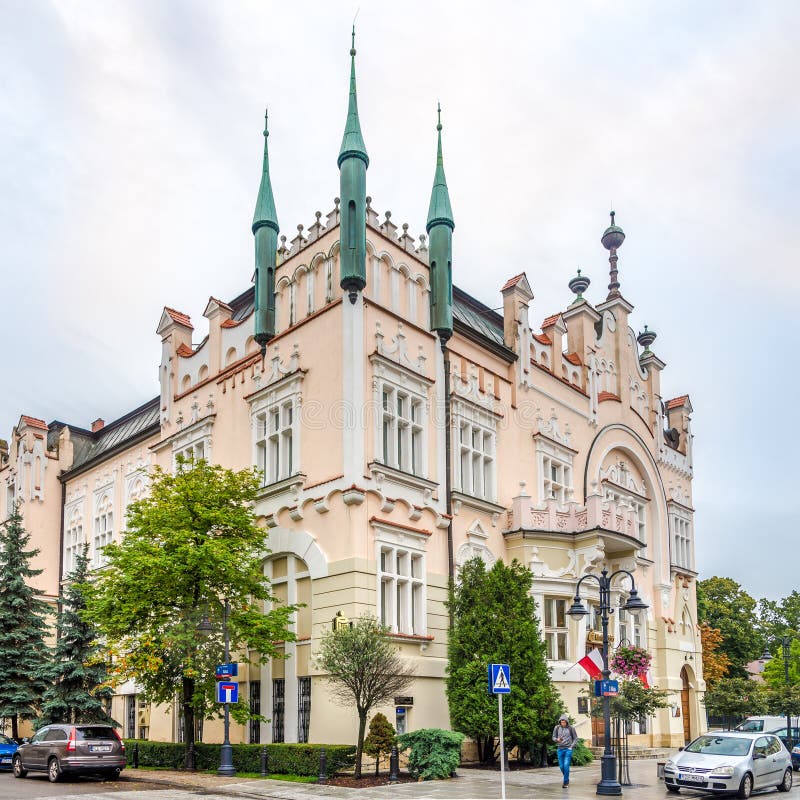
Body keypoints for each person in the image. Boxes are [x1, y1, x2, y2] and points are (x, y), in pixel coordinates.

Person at [552, 714, 579, 787]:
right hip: (560, 749)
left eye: (564, 722)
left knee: (566, 765)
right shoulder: (557, 728)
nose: (563, 723)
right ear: (560, 722)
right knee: (561, 766)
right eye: (561, 722)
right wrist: (557, 739)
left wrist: (571, 747)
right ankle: (566, 778)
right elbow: (553, 737)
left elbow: (576, 738)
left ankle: (565, 782)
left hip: (568, 749)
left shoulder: (571, 728)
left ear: (567, 722)